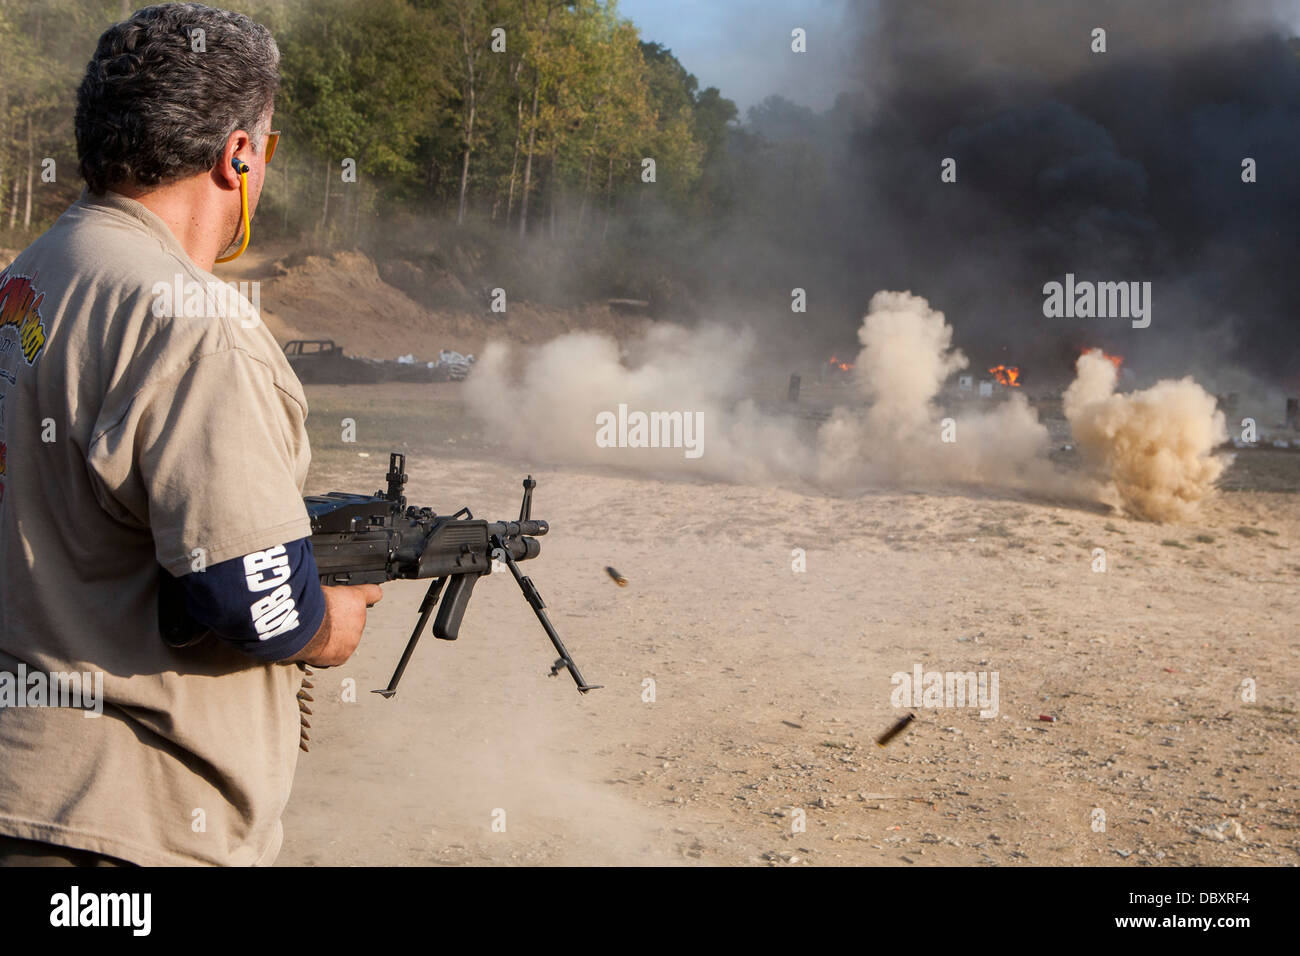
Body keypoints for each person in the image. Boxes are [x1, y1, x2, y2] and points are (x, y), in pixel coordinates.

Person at [0, 3, 380, 866]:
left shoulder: (30, 276)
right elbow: (251, 594)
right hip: (118, 823)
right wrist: (334, 624)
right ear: (237, 154)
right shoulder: (192, 321)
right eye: (267, 148)